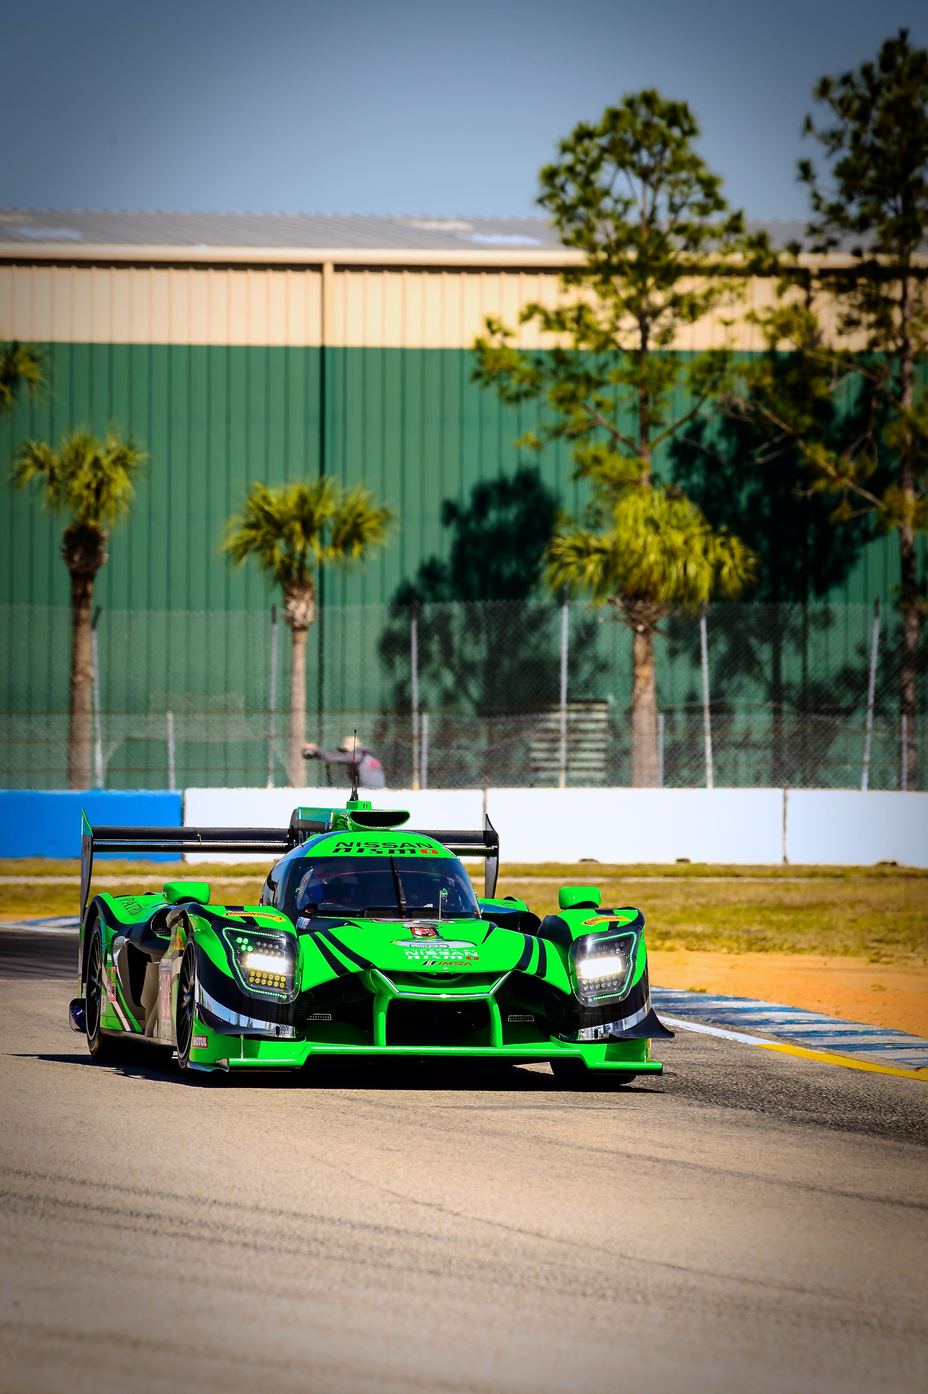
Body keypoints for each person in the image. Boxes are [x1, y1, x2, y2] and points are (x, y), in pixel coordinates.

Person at [301, 735, 386, 789]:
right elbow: (337, 757)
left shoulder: (356, 756)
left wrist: (315, 748)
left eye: (345, 751)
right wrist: (316, 755)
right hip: (377, 790)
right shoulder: (365, 756)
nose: (344, 753)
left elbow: (331, 758)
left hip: (369, 792)